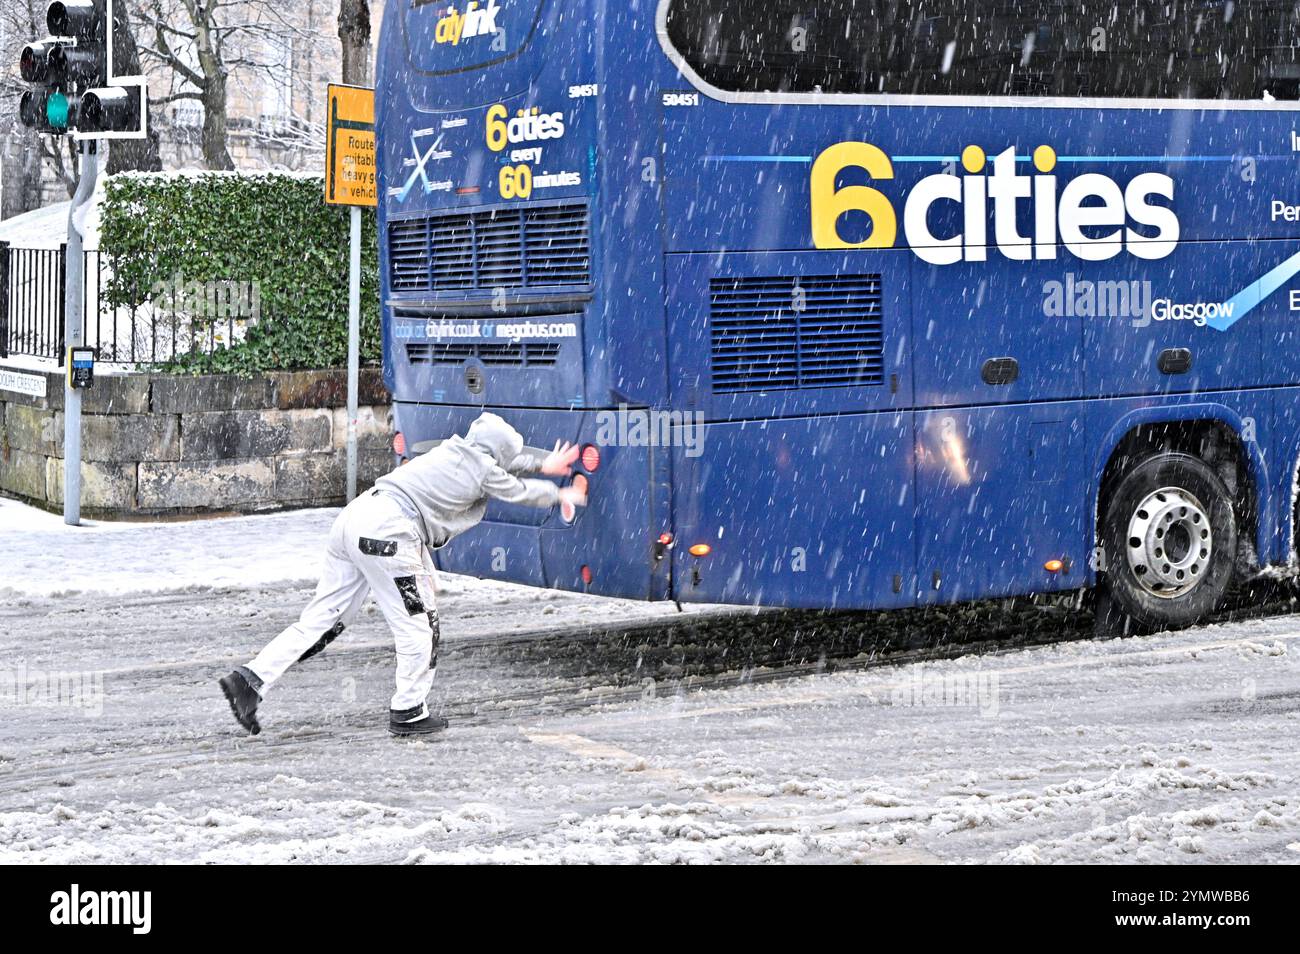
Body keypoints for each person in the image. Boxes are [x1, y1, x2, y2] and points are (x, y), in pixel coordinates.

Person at [219, 412, 585, 737]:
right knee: (419, 625)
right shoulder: (486, 469)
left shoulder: (453, 450)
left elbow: (503, 461)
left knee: (320, 621)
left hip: (354, 518)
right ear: (497, 455)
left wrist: (543, 463)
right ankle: (409, 711)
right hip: (388, 536)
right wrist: (560, 492)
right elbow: (516, 489)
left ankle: (249, 680)